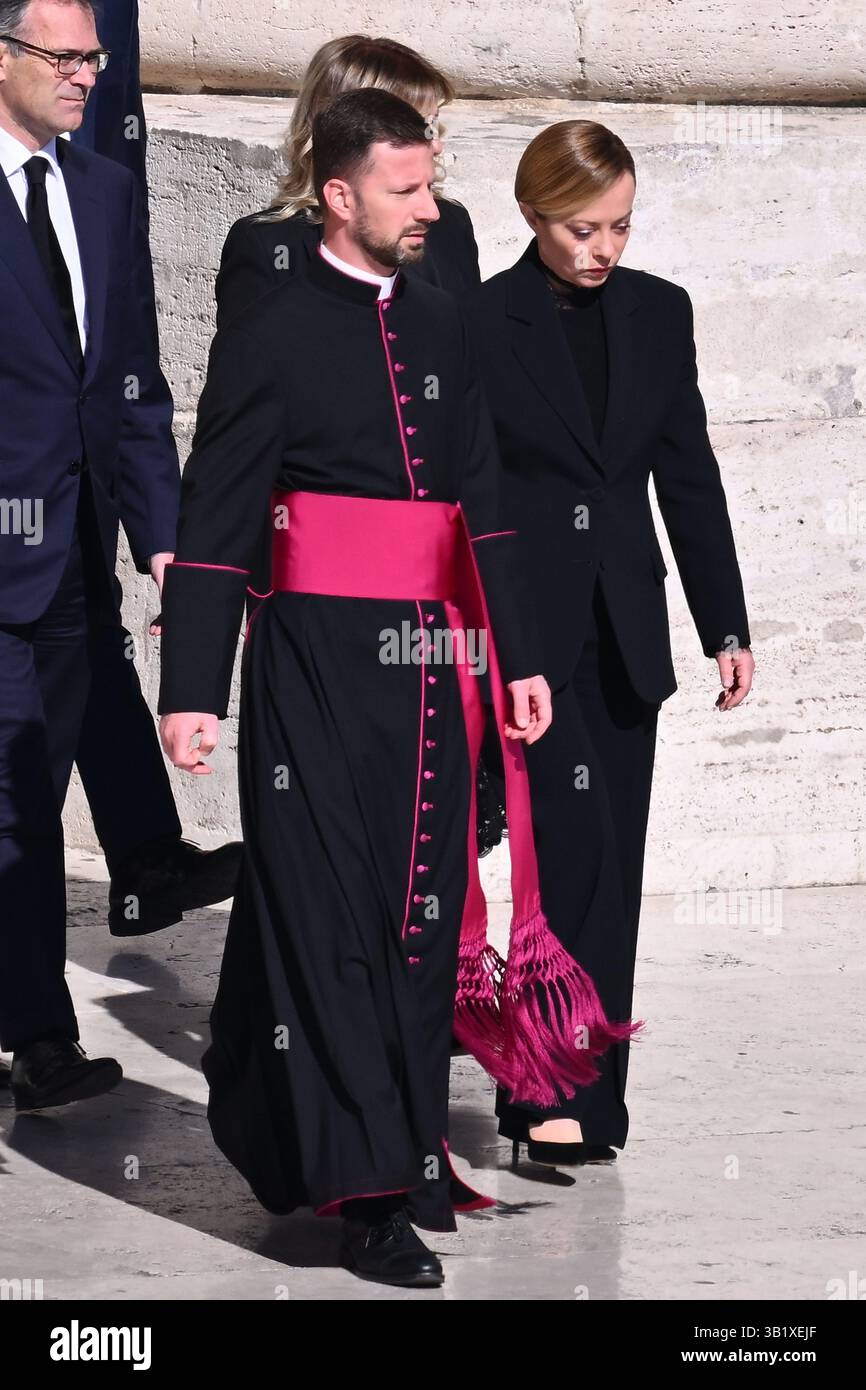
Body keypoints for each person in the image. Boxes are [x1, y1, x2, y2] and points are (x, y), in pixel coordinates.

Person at [159, 89, 634, 1288]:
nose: (430, 208)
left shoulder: (443, 325)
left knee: (422, 923)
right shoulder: (270, 327)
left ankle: (412, 1140)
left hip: (435, 667)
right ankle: (366, 1195)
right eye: (406, 189)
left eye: (431, 186)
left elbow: (487, 507)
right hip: (313, 666)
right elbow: (216, 518)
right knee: (331, 925)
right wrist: (190, 688)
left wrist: (519, 658)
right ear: (338, 194)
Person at [463, 119, 754, 1164]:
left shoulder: (655, 311)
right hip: (524, 631)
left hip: (626, 629)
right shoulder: (483, 319)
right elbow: (474, 490)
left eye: (618, 227)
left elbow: (686, 472)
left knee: (607, 869)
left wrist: (722, 619)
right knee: (562, 856)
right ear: (533, 214)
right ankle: (542, 1090)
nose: (601, 249)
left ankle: (586, 1098)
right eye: (580, 228)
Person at [0, 0, 178, 1108]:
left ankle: (36, 1036)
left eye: (95, 58)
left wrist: (164, 544)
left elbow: (132, 389)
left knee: (29, 794)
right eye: (66, 58)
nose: (87, 77)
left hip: (71, 565)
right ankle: (41, 1034)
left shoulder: (105, 193)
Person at [69, 0, 243, 938]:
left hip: (76, 421)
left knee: (78, 616)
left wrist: (160, 527)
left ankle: (142, 855)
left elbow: (121, 302)